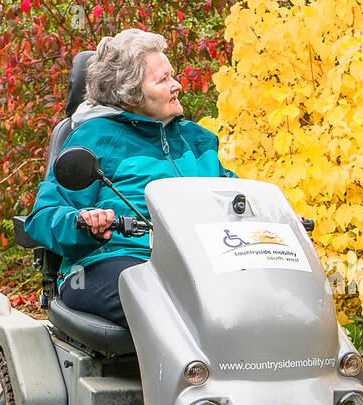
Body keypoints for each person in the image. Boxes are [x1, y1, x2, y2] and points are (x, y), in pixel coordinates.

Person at [25, 29, 237, 327]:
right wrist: (83, 222)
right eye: (163, 80)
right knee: (167, 304)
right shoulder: (94, 139)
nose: (177, 85)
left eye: (172, 75)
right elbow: (45, 215)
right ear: (130, 93)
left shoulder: (197, 141)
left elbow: (237, 198)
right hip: (107, 263)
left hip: (195, 263)